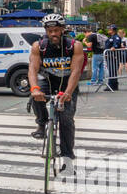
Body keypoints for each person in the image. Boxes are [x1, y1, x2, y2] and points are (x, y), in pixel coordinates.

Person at [28, 14, 85, 174]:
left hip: (68, 84)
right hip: (48, 80)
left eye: (57, 30)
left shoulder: (75, 46)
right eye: (50, 30)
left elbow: (75, 71)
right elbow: (32, 69)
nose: (53, 34)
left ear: (63, 30)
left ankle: (68, 161)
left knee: (66, 121)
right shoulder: (38, 46)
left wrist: (67, 93)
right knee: (35, 94)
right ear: (46, 31)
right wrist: (34, 89)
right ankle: (42, 123)